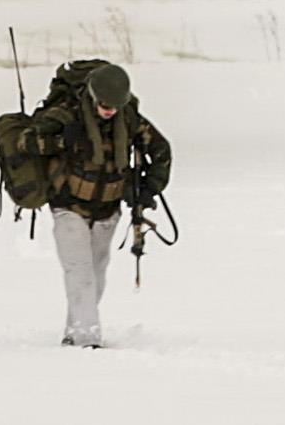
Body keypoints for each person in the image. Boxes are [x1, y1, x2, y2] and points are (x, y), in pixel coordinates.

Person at [19, 57, 174, 350]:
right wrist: (62, 142)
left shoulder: (129, 118)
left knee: (96, 273)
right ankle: (86, 339)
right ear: (92, 94)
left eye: (114, 106)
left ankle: (74, 330)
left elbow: (161, 151)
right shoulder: (66, 114)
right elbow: (26, 143)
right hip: (69, 205)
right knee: (80, 272)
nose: (109, 111)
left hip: (108, 207)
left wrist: (148, 189)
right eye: (104, 105)